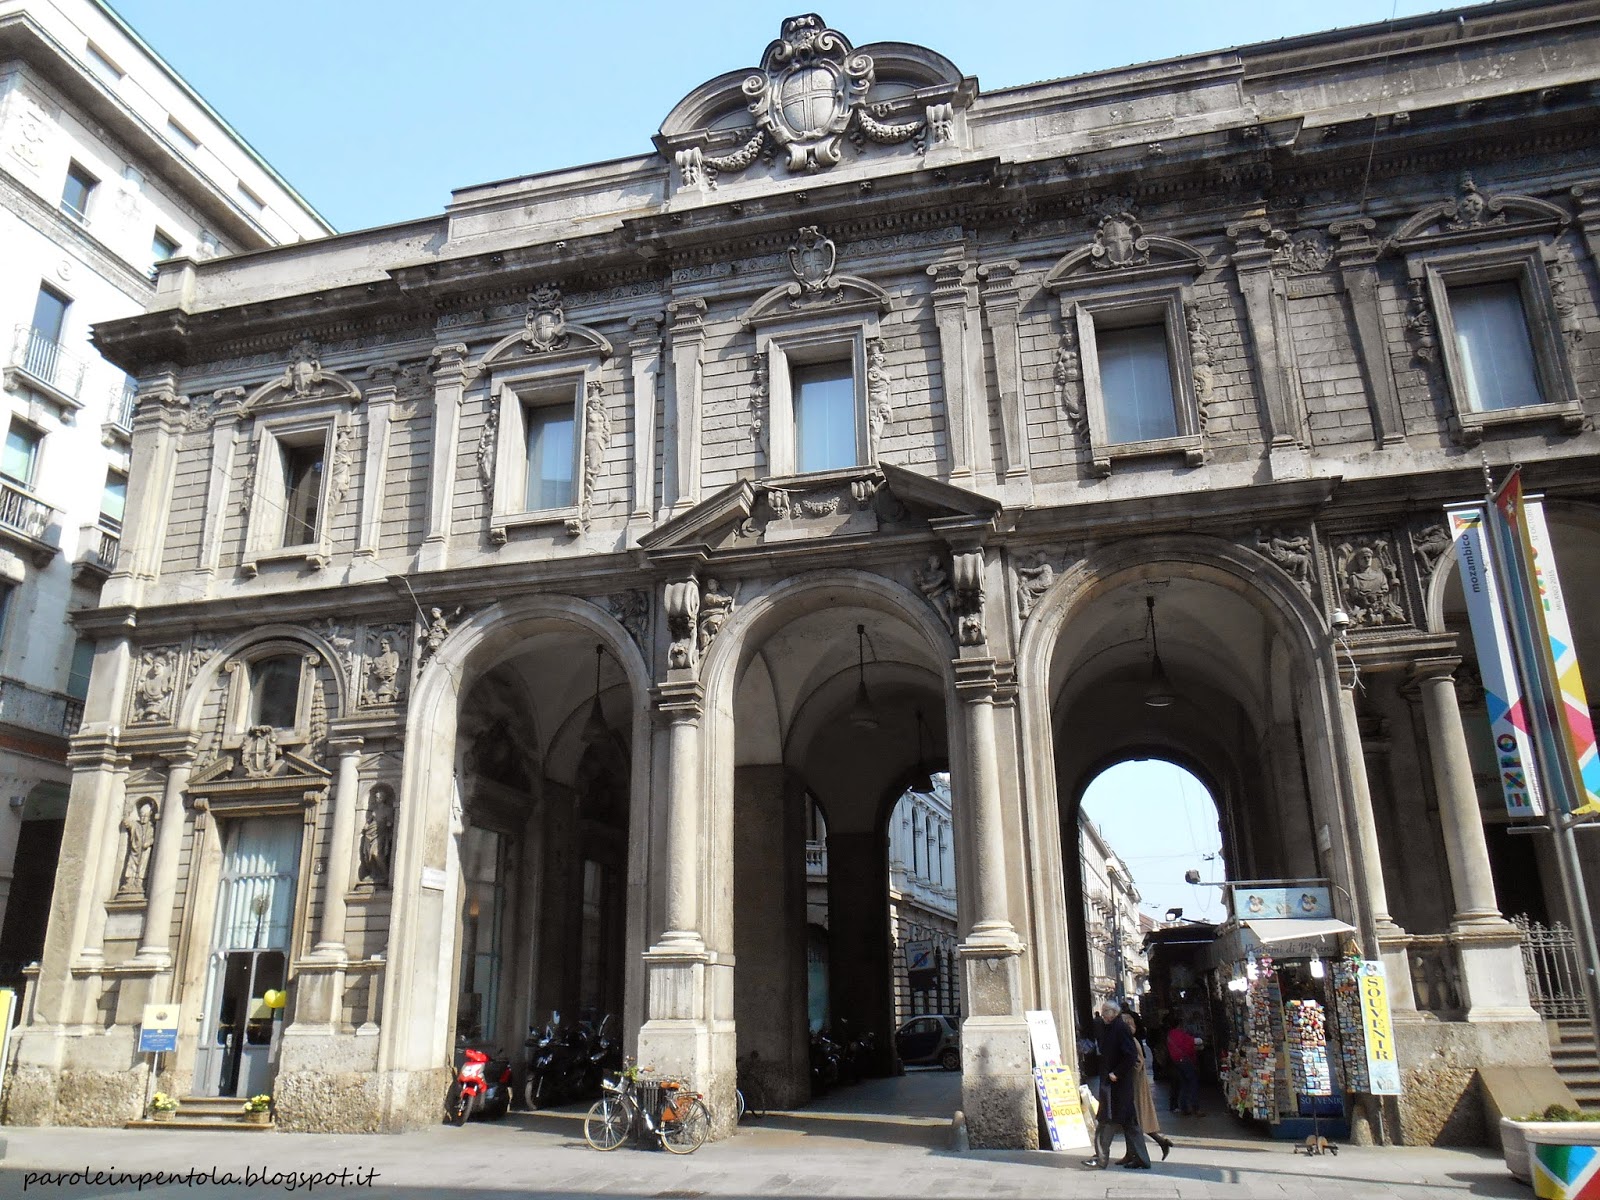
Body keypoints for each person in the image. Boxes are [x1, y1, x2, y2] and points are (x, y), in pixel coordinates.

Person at [1084, 1000, 1151, 1170]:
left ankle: (1100, 1159)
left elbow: (1130, 1055)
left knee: (1107, 1121)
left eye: (1106, 1010)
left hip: (1116, 1085)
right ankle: (1142, 1159)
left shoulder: (1120, 1028)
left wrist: (1117, 1073)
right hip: (1116, 1085)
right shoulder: (1110, 1028)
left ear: (1114, 1012)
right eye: (1103, 1010)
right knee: (1130, 1123)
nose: (1103, 1013)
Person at [1120, 1008, 1172, 1163]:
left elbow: (1138, 1062)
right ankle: (1132, 1153)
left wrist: (1124, 1074)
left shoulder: (1131, 1040)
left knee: (1135, 1121)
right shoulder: (1128, 1039)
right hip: (1133, 1085)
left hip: (1135, 1086)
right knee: (1131, 1121)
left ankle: (1141, 1152)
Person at [1166, 1022, 1202, 1117]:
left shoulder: (1170, 1036)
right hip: (1185, 1061)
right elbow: (1192, 1042)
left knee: (1184, 1083)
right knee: (1193, 1082)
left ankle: (1184, 1107)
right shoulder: (1180, 1034)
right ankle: (1195, 1107)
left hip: (1177, 1061)